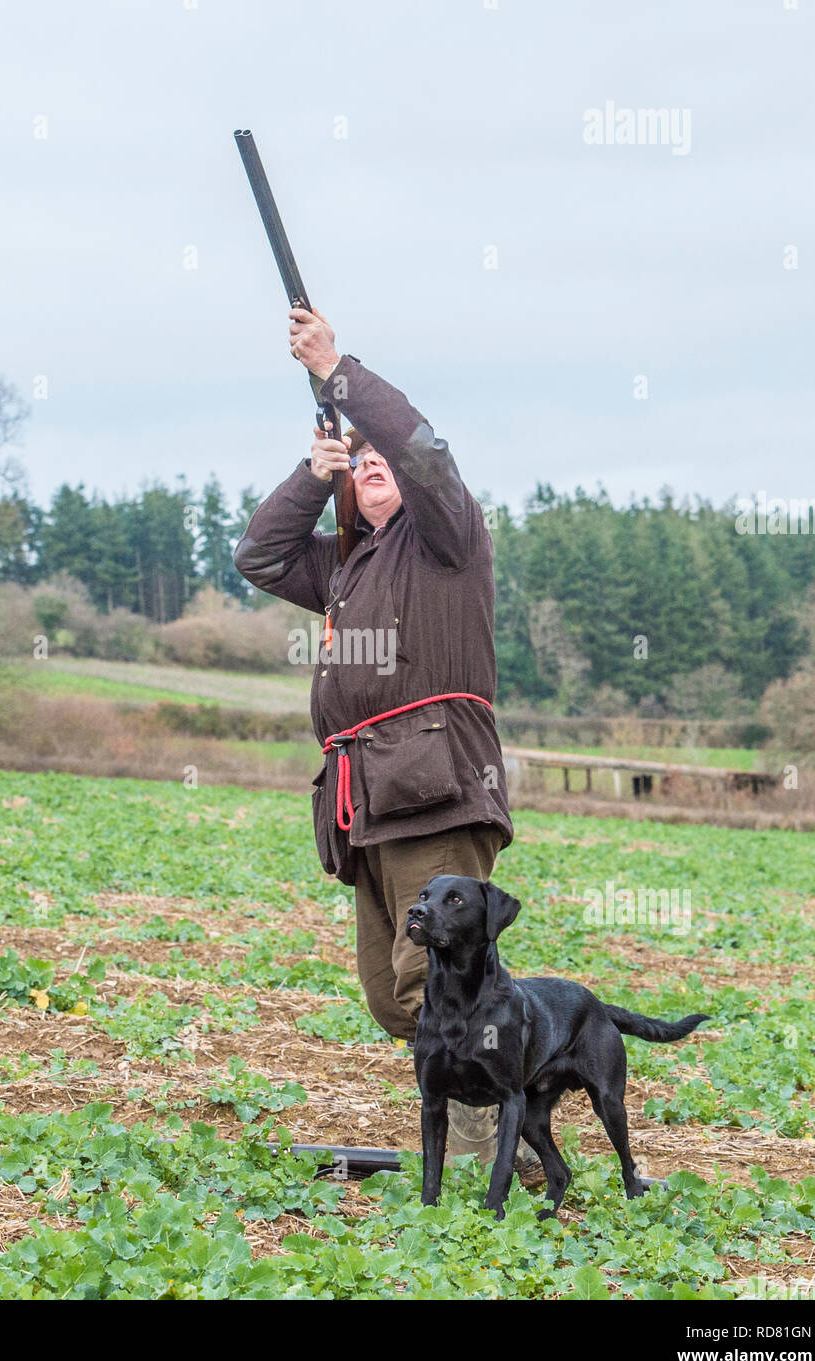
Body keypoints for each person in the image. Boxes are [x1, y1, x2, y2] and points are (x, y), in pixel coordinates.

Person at [233, 306, 542, 1183]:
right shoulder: (348, 567)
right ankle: (514, 1130)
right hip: (369, 804)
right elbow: (258, 556)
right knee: (394, 995)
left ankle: (493, 1161)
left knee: (432, 988)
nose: (373, 467)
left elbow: (422, 450)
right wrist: (309, 471)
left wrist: (340, 373)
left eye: (380, 461)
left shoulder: (447, 541)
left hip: (436, 789)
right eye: (356, 463)